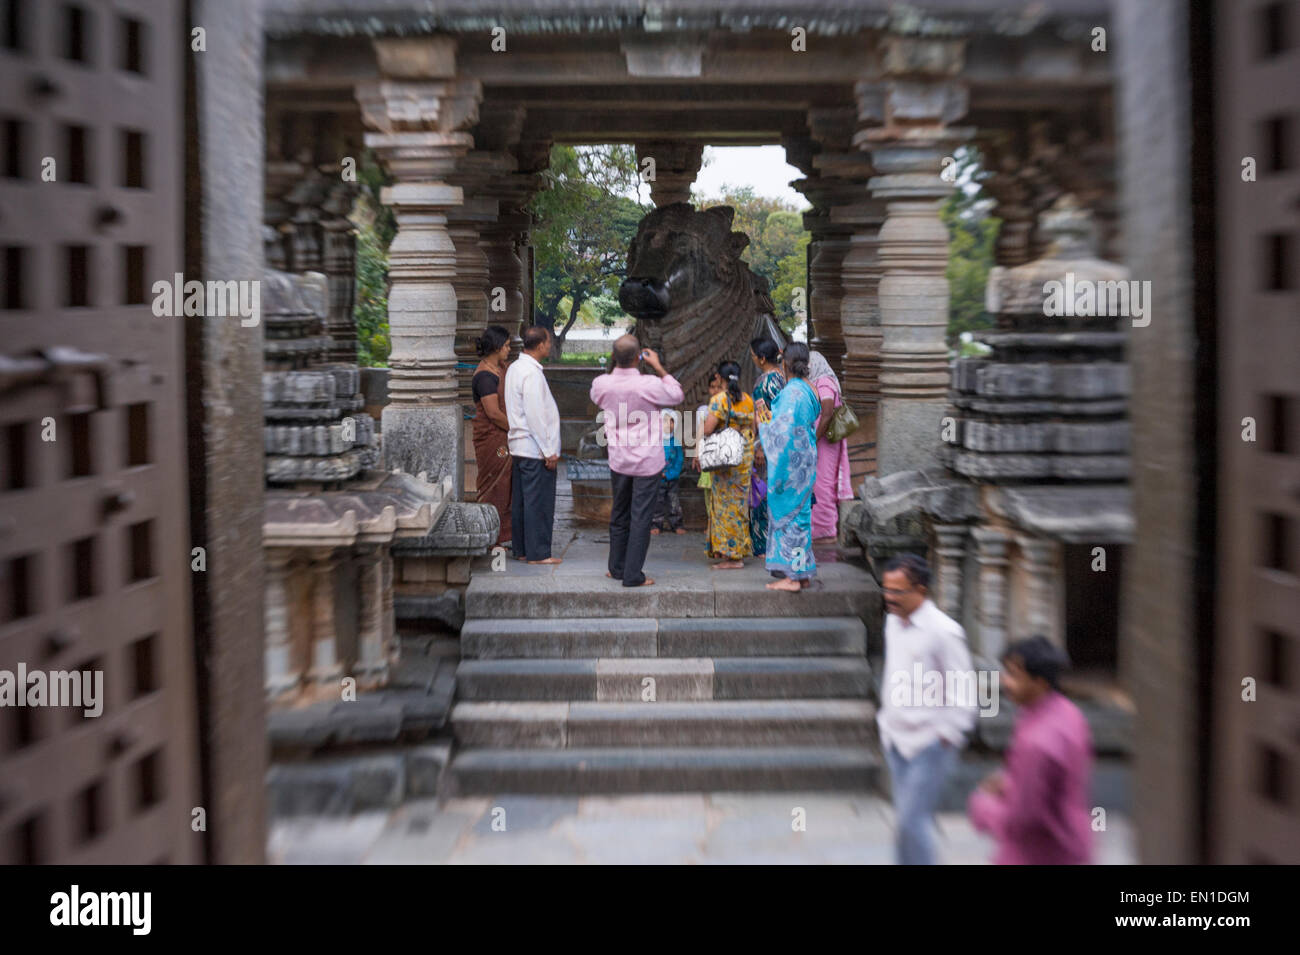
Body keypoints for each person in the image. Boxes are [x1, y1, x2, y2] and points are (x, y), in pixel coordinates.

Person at [877, 553, 977, 865]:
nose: (889, 598)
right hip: (896, 739)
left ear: (921, 589)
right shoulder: (893, 622)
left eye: (897, 591)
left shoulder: (944, 631)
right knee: (906, 822)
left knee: (911, 821)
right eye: (887, 589)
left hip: (930, 744)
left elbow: (965, 689)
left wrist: (947, 734)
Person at [968, 636, 1094, 865]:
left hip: (1039, 853)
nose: (1005, 682)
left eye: (1014, 676)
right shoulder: (1068, 713)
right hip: (1071, 842)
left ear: (1040, 682)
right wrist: (1012, 782)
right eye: (1005, 673)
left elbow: (1021, 820)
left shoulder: (1038, 742)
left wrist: (982, 804)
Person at [589, 335, 685, 587]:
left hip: (619, 459)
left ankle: (617, 567)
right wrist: (659, 367)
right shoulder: (650, 384)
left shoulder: (602, 384)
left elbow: (596, 397)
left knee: (619, 513)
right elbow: (676, 395)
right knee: (641, 516)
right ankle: (633, 574)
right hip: (647, 461)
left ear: (613, 357)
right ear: (638, 358)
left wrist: (615, 368)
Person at [757, 342, 818, 592]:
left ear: (784, 364)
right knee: (801, 520)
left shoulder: (792, 393)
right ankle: (801, 573)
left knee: (792, 522)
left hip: (791, 467)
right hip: (805, 461)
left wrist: (761, 417)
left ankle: (792, 578)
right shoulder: (808, 389)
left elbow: (778, 435)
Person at [503, 325, 562, 565]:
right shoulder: (531, 374)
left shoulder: (515, 368)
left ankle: (522, 548)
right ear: (540, 346)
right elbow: (536, 415)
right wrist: (549, 451)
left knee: (522, 501)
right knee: (538, 502)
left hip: (520, 446)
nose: (550, 345)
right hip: (533, 447)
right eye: (548, 342)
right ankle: (538, 553)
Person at [694, 360, 754, 569]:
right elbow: (753, 427)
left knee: (724, 507)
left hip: (725, 458)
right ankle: (737, 549)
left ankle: (732, 557)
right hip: (744, 457)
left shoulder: (719, 400)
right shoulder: (747, 400)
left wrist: (699, 442)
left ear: (719, 378)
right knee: (738, 506)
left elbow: (709, 428)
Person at [470, 324, 513, 547]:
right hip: (493, 437)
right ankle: (489, 534)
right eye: (505, 346)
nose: (508, 349)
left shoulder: (501, 368)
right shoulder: (486, 376)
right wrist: (517, 429)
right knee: (495, 484)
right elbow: (494, 414)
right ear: (496, 347)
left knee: (507, 484)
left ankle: (505, 534)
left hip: (503, 434)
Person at [807, 350, 854, 543]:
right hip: (823, 440)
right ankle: (821, 528)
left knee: (822, 484)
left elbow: (826, 413)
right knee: (819, 482)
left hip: (824, 442)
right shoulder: (820, 382)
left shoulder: (824, 383)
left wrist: (814, 439)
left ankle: (825, 530)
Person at [749, 336, 786, 556]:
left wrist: (760, 447)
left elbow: (763, 417)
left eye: (753, 355)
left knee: (762, 493)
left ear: (762, 358)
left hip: (769, 445)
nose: (752, 359)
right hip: (784, 444)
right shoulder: (784, 378)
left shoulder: (764, 383)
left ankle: (763, 545)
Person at [652, 410, 686, 535]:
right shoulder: (655, 441)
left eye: (671, 421)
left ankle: (676, 524)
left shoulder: (675, 442)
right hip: (657, 479)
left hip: (672, 479)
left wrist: (671, 474)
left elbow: (679, 460)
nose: (668, 424)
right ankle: (656, 524)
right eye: (664, 421)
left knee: (674, 502)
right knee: (657, 503)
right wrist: (656, 472)